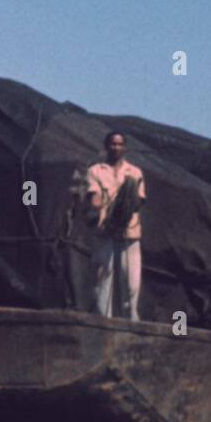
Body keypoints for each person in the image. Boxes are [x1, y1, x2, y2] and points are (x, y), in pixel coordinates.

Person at [87, 131, 147, 321]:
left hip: (129, 232)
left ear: (125, 148)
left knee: (131, 282)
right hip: (105, 230)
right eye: (112, 144)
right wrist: (99, 207)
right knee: (103, 276)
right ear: (107, 146)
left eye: (120, 144)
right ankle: (103, 320)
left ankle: (131, 320)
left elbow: (139, 201)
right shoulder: (95, 170)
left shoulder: (135, 173)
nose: (116, 147)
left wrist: (126, 204)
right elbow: (94, 196)